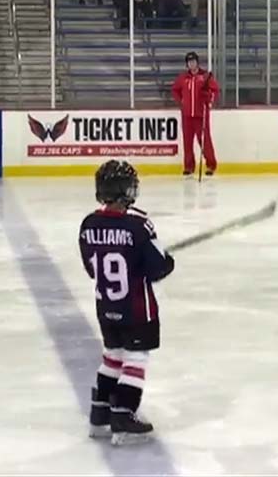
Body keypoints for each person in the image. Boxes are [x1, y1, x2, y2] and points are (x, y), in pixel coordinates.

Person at [80, 160, 175, 445]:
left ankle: (99, 414)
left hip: (105, 307)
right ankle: (123, 411)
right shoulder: (138, 225)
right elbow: (159, 269)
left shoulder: (88, 225)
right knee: (135, 358)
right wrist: (165, 258)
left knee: (112, 355)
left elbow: (91, 268)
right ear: (125, 192)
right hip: (137, 309)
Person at [171, 51, 218, 177]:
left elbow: (214, 90)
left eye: (193, 61)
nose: (192, 64)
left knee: (204, 141)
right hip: (187, 115)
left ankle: (211, 165)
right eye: (189, 62)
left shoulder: (205, 76)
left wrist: (209, 100)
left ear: (197, 62)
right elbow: (175, 90)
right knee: (187, 142)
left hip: (201, 114)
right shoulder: (183, 78)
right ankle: (189, 166)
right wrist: (181, 101)